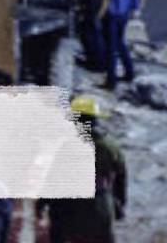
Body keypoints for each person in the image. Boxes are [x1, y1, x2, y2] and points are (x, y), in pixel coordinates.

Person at [42, 96, 126, 243]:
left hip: (68, 207)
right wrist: (119, 204)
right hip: (100, 205)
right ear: (95, 120)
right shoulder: (110, 147)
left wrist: (43, 204)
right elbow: (121, 178)